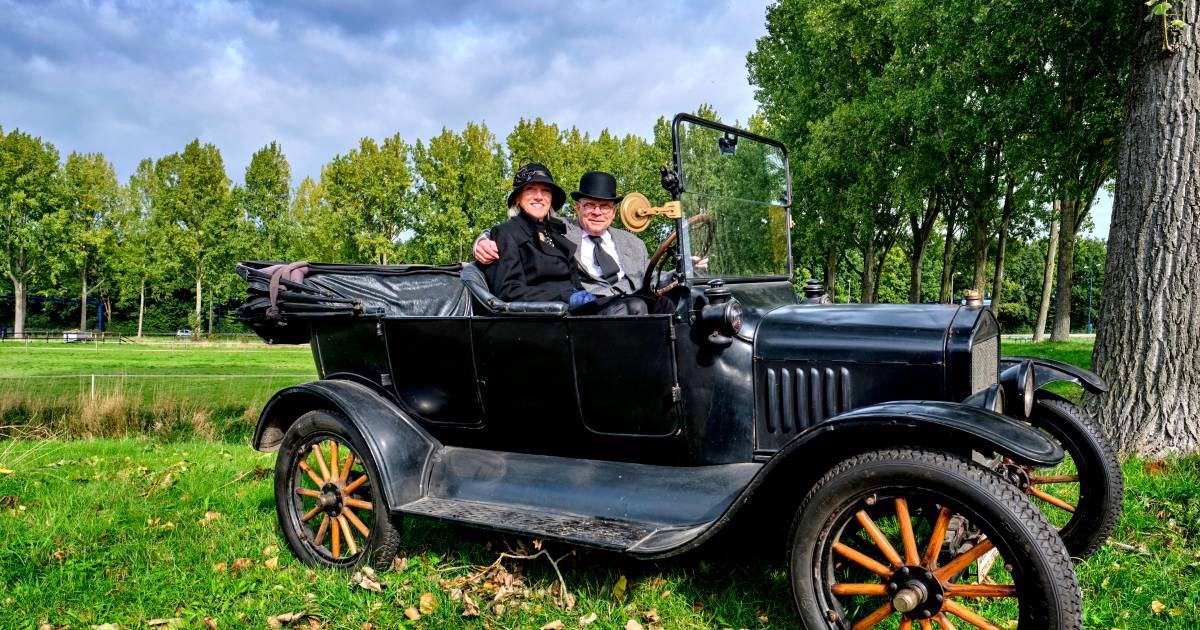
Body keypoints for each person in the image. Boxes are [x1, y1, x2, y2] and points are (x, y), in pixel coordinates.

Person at [476, 171, 664, 315]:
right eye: (589, 205)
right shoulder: (561, 229)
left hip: (635, 297)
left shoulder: (633, 243)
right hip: (592, 305)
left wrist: (682, 274)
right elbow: (514, 230)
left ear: (613, 211)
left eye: (605, 206)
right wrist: (482, 241)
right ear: (578, 208)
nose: (597, 212)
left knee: (668, 304)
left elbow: (654, 278)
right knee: (634, 307)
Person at [482, 163, 579, 304]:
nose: (539, 196)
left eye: (545, 191)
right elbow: (508, 291)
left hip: (577, 312)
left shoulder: (557, 234)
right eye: (530, 189)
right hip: (539, 314)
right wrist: (564, 297)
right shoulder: (506, 233)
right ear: (518, 198)